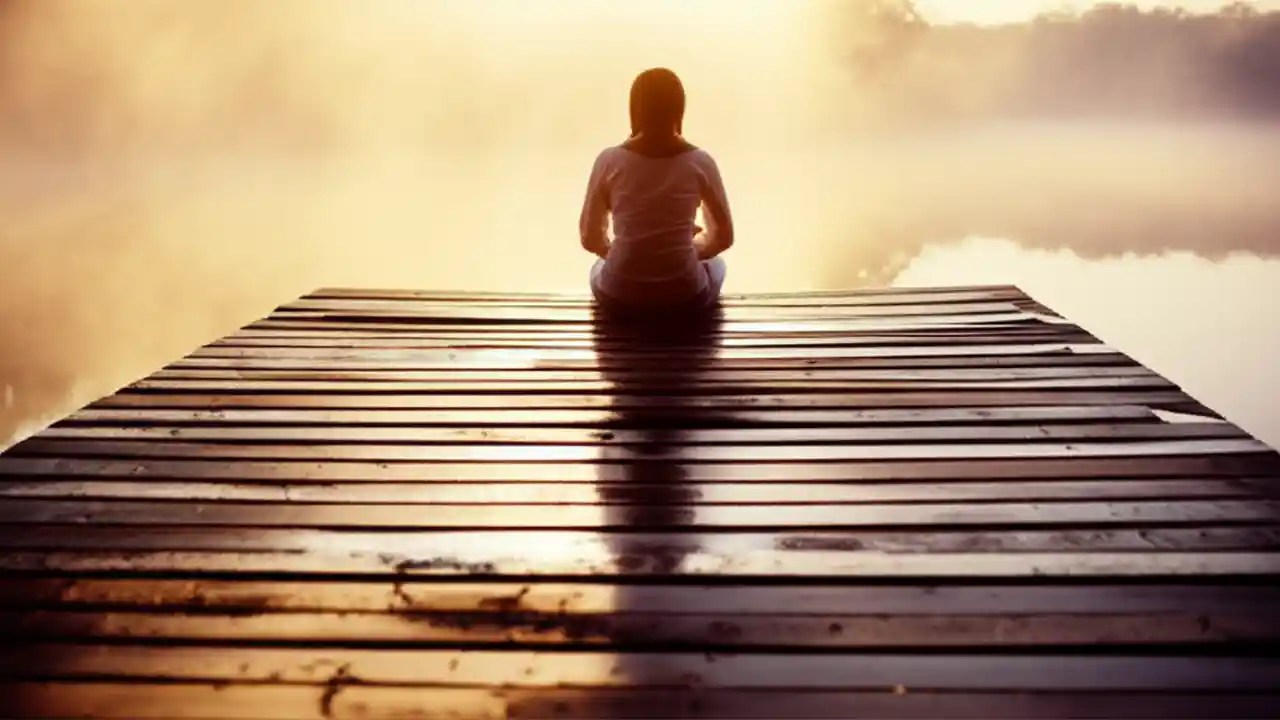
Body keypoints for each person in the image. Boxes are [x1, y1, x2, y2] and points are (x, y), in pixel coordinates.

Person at [579, 68, 734, 317]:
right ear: (678, 110)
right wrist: (689, 247)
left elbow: (590, 238)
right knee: (717, 265)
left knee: (598, 267)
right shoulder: (701, 162)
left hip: (620, 295)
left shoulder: (608, 161)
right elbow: (722, 238)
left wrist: (623, 251)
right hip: (684, 296)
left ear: (635, 110)